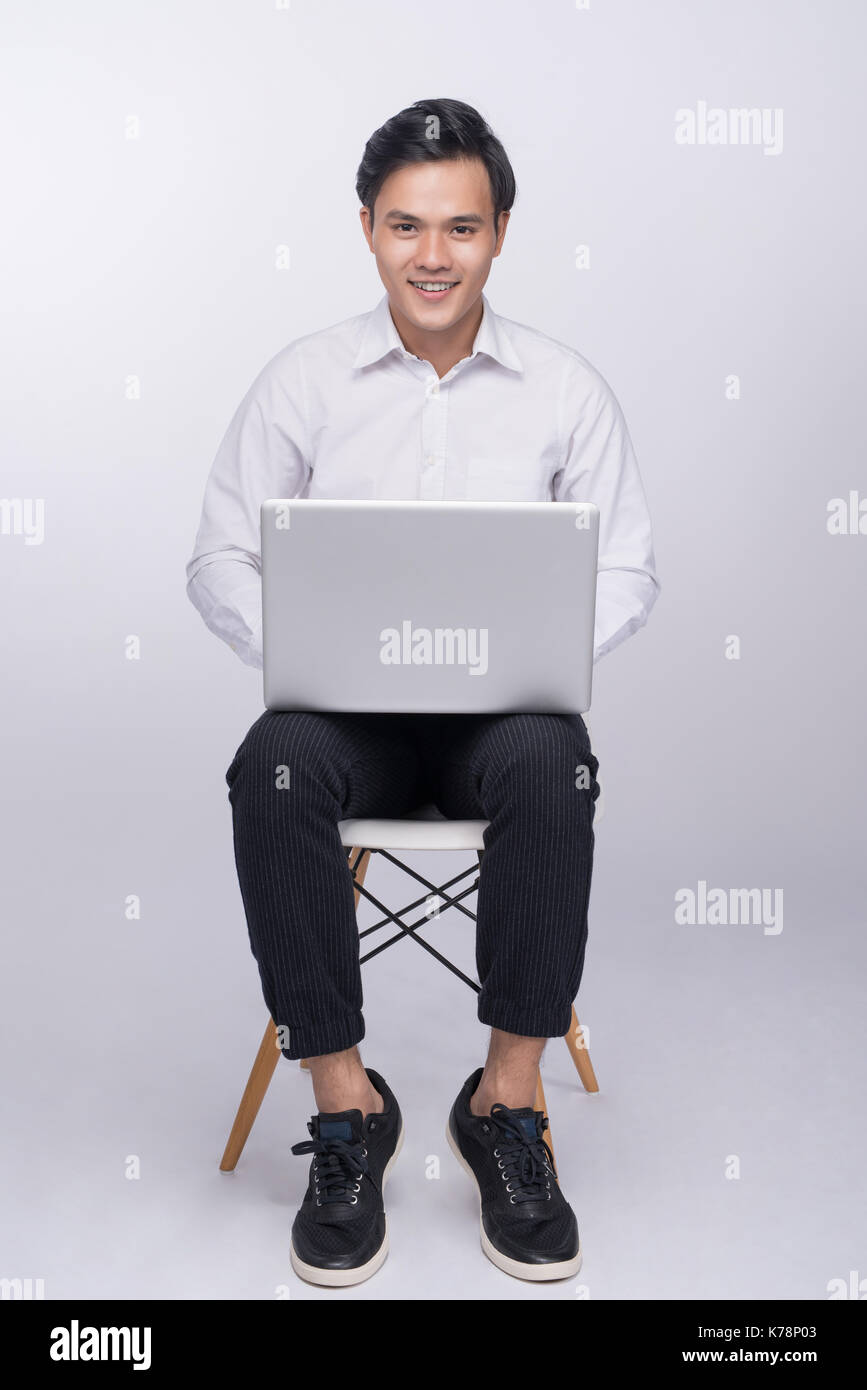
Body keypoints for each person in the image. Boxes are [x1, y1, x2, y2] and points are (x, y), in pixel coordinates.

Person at [185, 97, 660, 1288]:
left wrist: (538, 647)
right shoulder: (305, 380)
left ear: (501, 231)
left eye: (460, 226)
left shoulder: (563, 388)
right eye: (406, 226)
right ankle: (348, 1110)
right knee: (272, 758)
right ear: (366, 229)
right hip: (347, 721)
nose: (432, 256)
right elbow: (216, 558)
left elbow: (631, 567)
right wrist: (304, 643)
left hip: (503, 725)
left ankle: (506, 1104)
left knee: (556, 758)